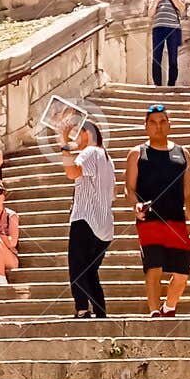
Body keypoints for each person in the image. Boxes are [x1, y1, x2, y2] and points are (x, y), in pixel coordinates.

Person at [124, 106, 190, 316]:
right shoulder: (137, 154)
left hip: (176, 220)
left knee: (182, 273)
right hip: (149, 219)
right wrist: (135, 204)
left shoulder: (182, 153)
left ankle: (169, 306)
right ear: (146, 126)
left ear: (170, 124)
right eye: (153, 123)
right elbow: (128, 188)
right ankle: (155, 312)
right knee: (154, 267)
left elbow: (189, 192)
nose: (158, 127)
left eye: (163, 121)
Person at [61, 119, 115, 319]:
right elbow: (113, 193)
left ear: (87, 133)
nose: (77, 139)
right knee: (90, 271)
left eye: (78, 134)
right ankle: (100, 312)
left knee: (77, 268)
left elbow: (72, 172)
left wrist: (65, 146)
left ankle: (82, 308)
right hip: (105, 225)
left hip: (86, 219)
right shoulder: (108, 159)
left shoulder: (90, 152)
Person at [149, 0, 187, 86]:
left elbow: (182, 8)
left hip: (173, 28)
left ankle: (171, 84)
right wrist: (156, 0)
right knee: (156, 57)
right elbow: (150, 13)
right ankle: (158, 84)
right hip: (158, 27)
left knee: (173, 58)